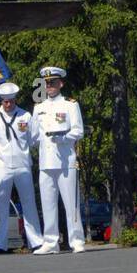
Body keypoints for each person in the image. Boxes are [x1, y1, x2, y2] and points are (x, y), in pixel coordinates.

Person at [0, 82, 45, 254]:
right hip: (2, 166)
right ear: (1, 101)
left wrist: (23, 152)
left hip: (22, 164)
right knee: (0, 204)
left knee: (29, 202)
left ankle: (36, 241)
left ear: (15, 99)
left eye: (11, 101)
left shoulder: (25, 116)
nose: (8, 104)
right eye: (5, 102)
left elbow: (34, 139)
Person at [31, 67, 85, 254]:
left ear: (61, 83)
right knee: (48, 203)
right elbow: (34, 135)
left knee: (71, 203)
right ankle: (50, 241)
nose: (50, 86)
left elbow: (78, 130)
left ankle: (77, 240)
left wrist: (63, 138)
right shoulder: (39, 108)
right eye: (47, 83)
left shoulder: (70, 105)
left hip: (65, 160)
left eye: (53, 83)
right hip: (46, 161)